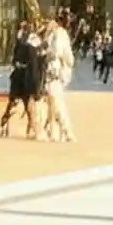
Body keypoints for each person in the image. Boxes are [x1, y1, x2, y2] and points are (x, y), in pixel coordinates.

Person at [0, 19, 47, 139]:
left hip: (20, 76)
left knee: (20, 102)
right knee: (25, 103)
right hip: (25, 77)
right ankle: (29, 127)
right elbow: (36, 62)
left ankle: (11, 123)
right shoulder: (31, 43)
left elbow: (16, 60)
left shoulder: (23, 41)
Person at [44, 11, 77, 142]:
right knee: (55, 102)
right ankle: (61, 131)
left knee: (54, 102)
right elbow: (62, 53)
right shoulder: (56, 34)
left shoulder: (55, 33)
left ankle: (60, 131)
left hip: (53, 71)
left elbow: (56, 51)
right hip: (53, 71)